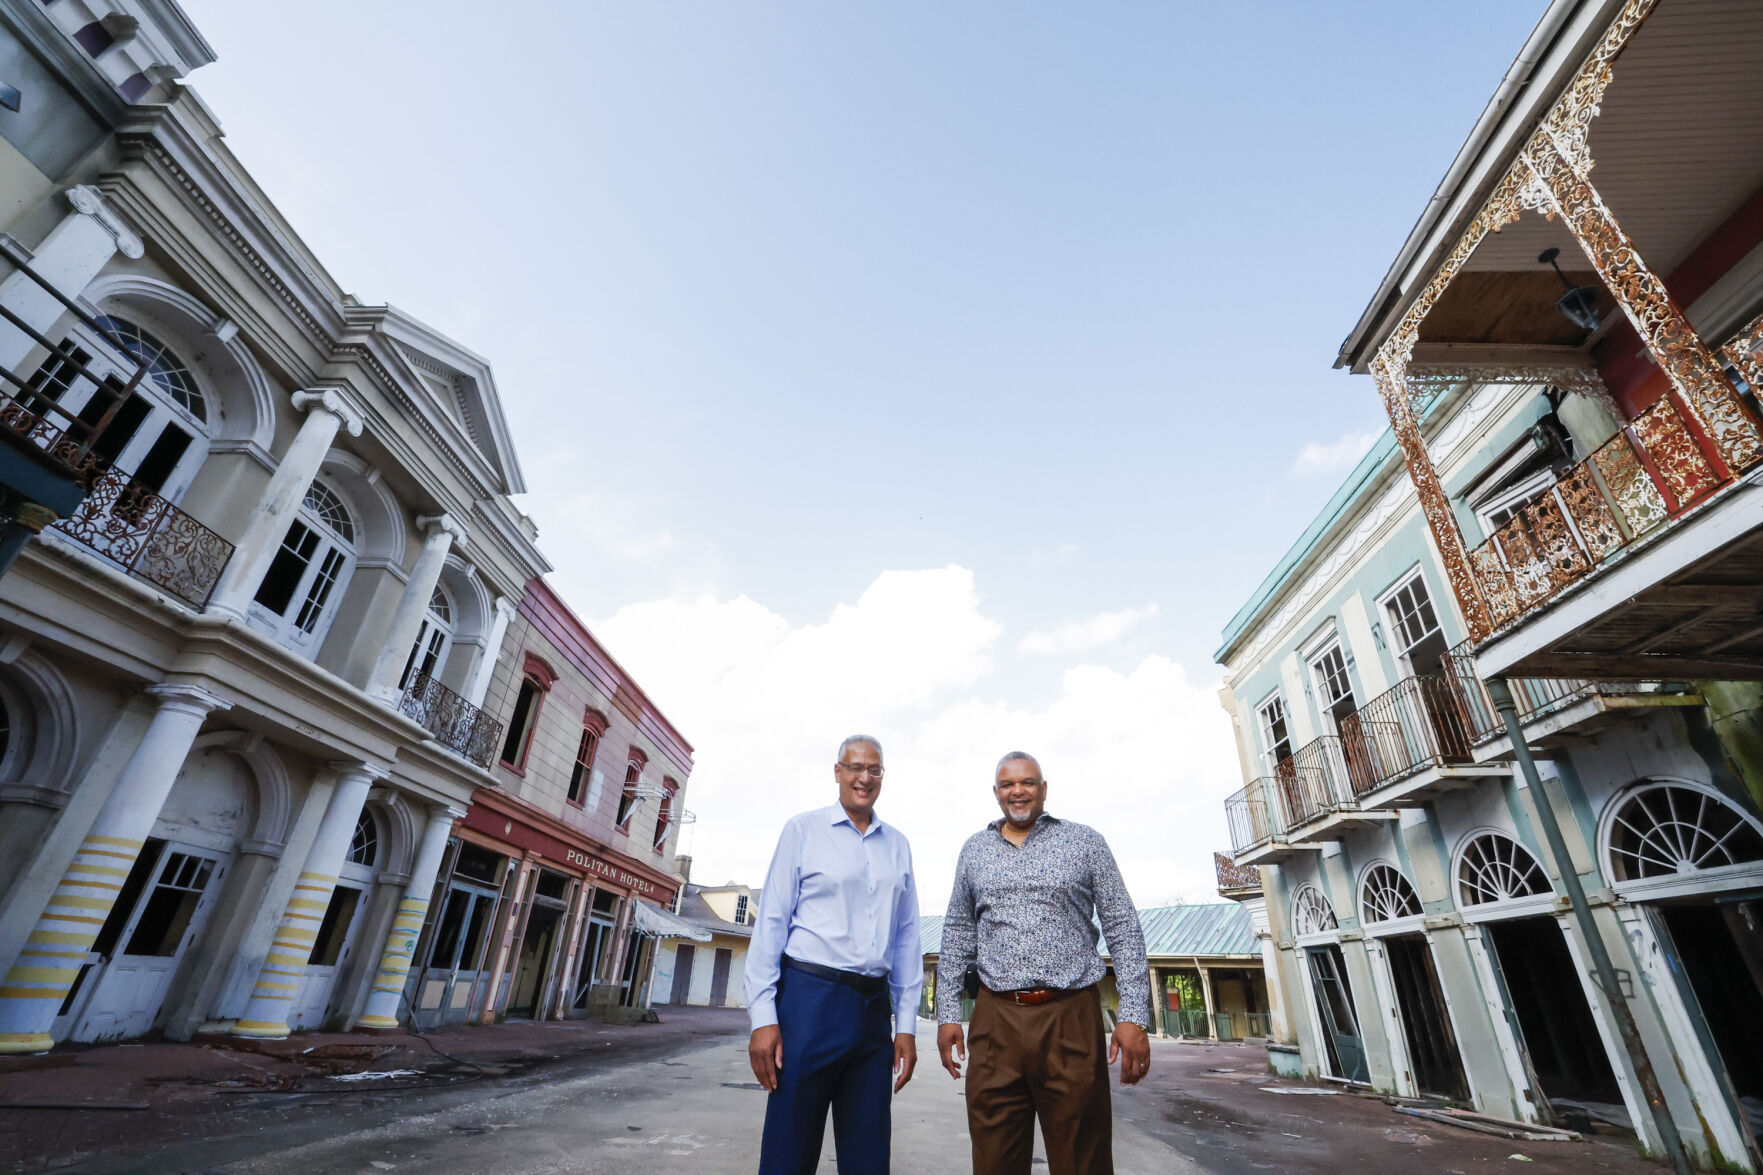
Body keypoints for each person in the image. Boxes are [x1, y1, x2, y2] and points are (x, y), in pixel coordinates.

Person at [936, 751, 1151, 1175]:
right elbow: (957, 930)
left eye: (1027, 782)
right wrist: (947, 1014)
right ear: (996, 792)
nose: (1018, 791)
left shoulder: (1085, 842)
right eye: (1008, 784)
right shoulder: (975, 850)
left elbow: (1122, 925)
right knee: (994, 1157)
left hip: (1069, 1018)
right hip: (996, 1019)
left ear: (1044, 789)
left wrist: (1133, 1016)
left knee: (1082, 1158)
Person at [746, 734, 923, 1175]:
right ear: (838, 772)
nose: (865, 777)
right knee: (789, 1149)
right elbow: (771, 923)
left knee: (868, 1153)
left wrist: (905, 1025)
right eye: (855, 767)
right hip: (809, 1001)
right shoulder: (803, 831)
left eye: (874, 769)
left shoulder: (898, 845)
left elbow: (905, 938)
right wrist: (763, 1018)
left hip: (872, 1011)